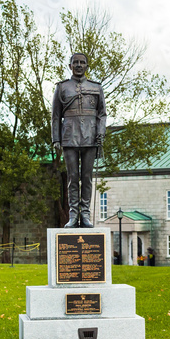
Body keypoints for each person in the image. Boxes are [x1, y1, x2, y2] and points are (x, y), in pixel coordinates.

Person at [51, 52, 107, 228]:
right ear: (70, 66)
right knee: (73, 177)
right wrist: (56, 139)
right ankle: (73, 215)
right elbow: (55, 116)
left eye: (82, 62)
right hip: (69, 137)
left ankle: (86, 214)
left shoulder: (96, 87)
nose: (79, 65)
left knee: (87, 177)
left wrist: (101, 133)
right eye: (75, 62)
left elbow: (102, 114)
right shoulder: (62, 88)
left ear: (87, 66)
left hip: (90, 138)